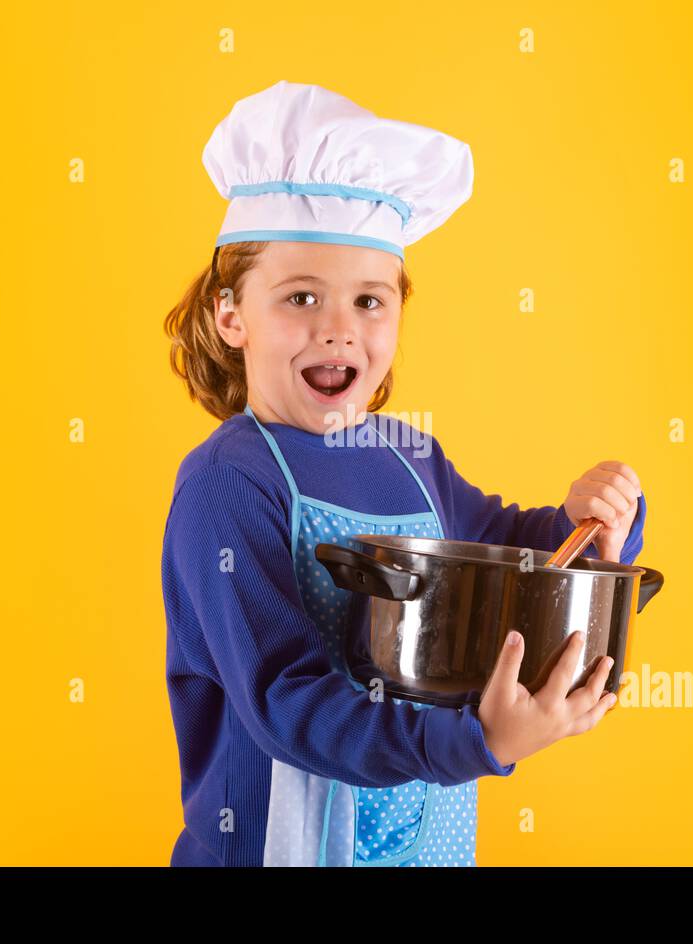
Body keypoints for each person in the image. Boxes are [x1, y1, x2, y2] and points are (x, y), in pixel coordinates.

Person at [162, 80, 647, 866]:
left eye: (369, 301)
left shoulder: (406, 454)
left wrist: (591, 524)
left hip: (431, 837)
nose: (339, 330)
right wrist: (477, 738)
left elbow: (517, 557)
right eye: (301, 297)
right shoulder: (229, 480)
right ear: (230, 316)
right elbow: (285, 699)